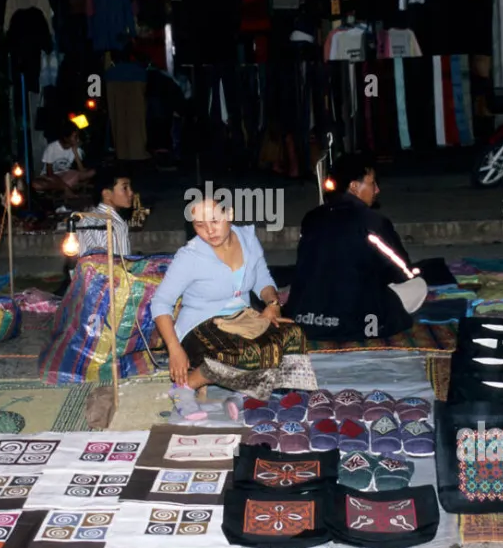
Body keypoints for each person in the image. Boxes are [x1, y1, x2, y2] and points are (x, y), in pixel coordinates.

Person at [151, 198, 304, 420]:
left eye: (215, 221)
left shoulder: (248, 240)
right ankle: (185, 386)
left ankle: (244, 394)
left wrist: (272, 304)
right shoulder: (190, 256)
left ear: (229, 214)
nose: (209, 231)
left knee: (292, 335)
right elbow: (160, 302)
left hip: (242, 321)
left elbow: (262, 280)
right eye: (200, 225)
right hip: (200, 327)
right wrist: (174, 349)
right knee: (243, 352)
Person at [284, 153, 428, 342]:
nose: (377, 190)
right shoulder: (373, 222)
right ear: (353, 186)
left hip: (306, 317)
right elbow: (402, 272)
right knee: (418, 286)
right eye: (372, 183)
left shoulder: (311, 218)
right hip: (354, 320)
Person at [33, 124, 96, 192]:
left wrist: (75, 152)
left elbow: (81, 170)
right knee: (36, 184)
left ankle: (62, 188)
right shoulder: (51, 148)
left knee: (92, 172)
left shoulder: (77, 149)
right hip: (51, 177)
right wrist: (64, 185)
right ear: (66, 138)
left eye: (78, 136)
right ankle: (66, 188)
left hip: (66, 175)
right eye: (75, 137)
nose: (77, 139)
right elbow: (50, 173)